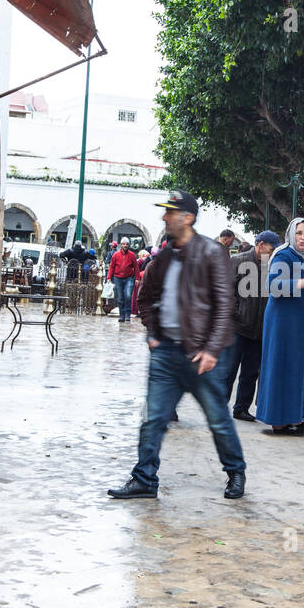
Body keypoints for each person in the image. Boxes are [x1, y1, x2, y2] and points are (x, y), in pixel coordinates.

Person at [111, 191, 246, 500]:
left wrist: (212, 350)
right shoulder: (163, 257)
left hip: (200, 355)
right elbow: (145, 298)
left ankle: (236, 471)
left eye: (171, 212)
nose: (165, 218)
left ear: (188, 217)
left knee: (218, 420)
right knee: (153, 418)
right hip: (166, 354)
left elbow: (225, 305)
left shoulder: (212, 253)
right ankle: (144, 478)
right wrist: (153, 333)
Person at [256, 218, 304, 435]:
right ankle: (278, 420)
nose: (302, 237)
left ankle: (293, 416)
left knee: (297, 370)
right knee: (282, 367)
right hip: (283, 324)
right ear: (290, 234)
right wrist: (301, 283)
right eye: (299, 233)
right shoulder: (283, 254)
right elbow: (273, 285)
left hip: (301, 324)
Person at [224, 230, 279, 422]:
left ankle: (241, 408)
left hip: (260, 330)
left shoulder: (272, 267)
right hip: (238, 327)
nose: (272, 254)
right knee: (229, 370)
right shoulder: (238, 261)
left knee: (250, 372)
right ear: (261, 244)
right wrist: (236, 312)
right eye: (271, 250)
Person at [106, 237, 139, 323]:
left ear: (129, 245)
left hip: (129, 278)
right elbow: (112, 267)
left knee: (128, 296)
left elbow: (136, 267)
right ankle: (122, 315)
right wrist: (109, 277)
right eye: (124, 244)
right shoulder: (116, 255)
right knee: (120, 298)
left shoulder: (132, 255)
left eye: (127, 244)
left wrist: (137, 278)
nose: (125, 245)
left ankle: (127, 315)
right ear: (121, 245)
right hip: (118, 278)